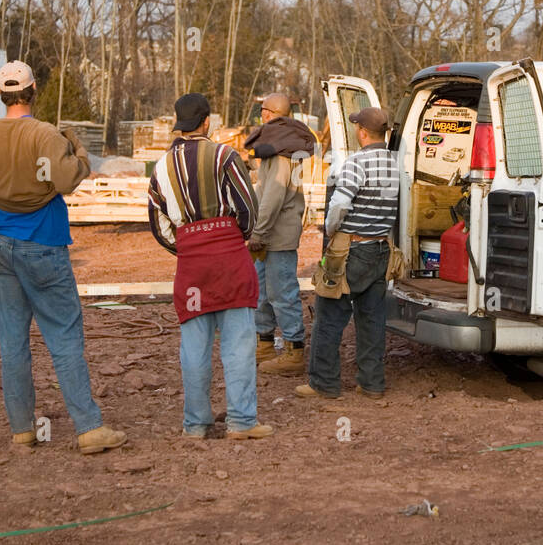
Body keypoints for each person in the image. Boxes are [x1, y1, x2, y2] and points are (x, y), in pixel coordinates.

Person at [0, 61, 127, 455]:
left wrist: (6, 193)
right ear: (33, 91)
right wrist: (79, 153)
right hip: (44, 244)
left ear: (2, 95)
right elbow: (67, 181)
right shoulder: (46, 134)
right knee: (64, 337)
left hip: (4, 243)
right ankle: (88, 429)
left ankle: (22, 429)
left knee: (13, 340)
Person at [148, 92, 273, 440]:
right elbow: (247, 209)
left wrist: (188, 245)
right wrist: (233, 237)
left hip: (191, 266)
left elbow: (159, 225)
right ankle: (242, 422)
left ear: (178, 123)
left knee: (194, 346)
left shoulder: (160, 168)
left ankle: (196, 424)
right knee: (238, 344)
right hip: (230, 260)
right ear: (207, 122)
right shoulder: (224, 156)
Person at [297, 106, 398, 400]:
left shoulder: (357, 162)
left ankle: (324, 384)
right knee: (371, 320)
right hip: (381, 249)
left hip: (351, 250)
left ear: (363, 132)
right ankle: (372, 383)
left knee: (329, 317)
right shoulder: (394, 164)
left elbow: (340, 205)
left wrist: (330, 228)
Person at [243, 92, 316, 376]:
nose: (260, 116)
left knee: (282, 292)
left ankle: (293, 351)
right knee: (262, 290)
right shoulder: (279, 144)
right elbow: (264, 188)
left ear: (269, 113)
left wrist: (258, 232)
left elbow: (274, 194)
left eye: (262, 111)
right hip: (267, 232)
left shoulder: (282, 149)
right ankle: (263, 344)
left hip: (277, 233)